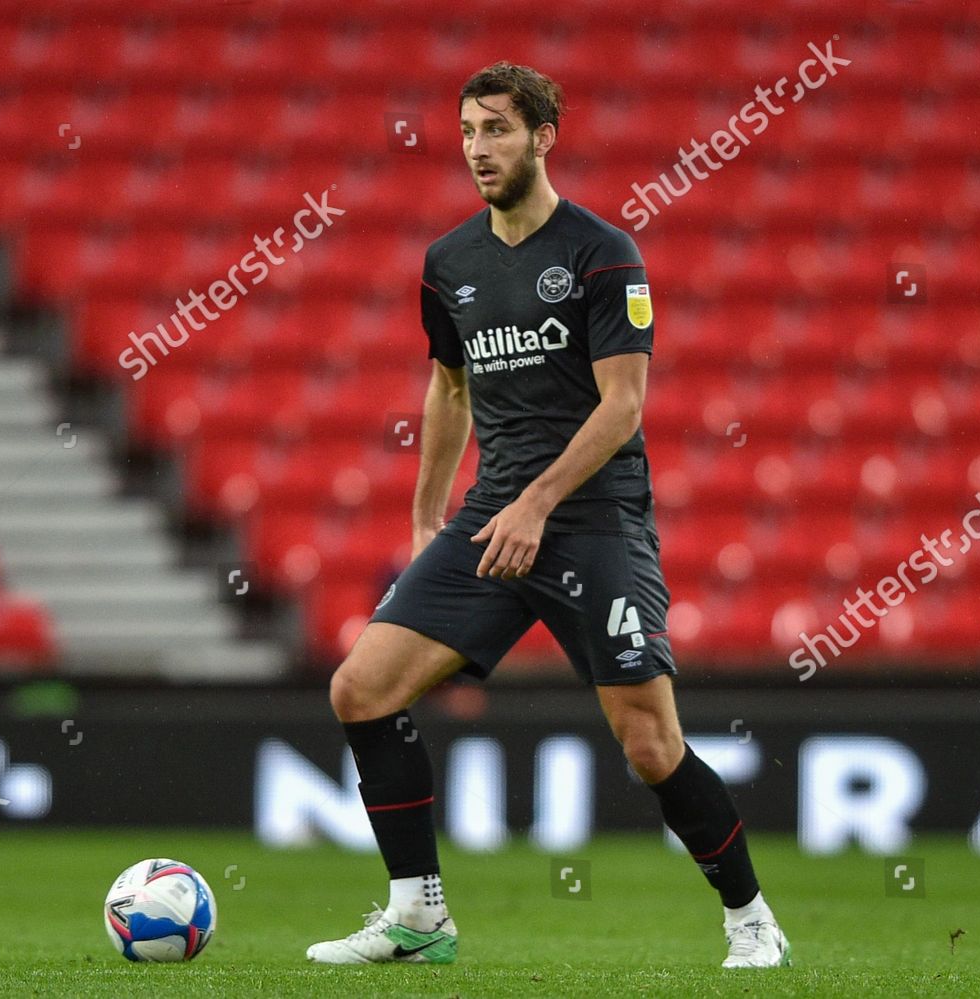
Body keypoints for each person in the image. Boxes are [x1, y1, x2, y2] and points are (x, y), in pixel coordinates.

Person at [306, 61, 790, 970]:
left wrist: (537, 500)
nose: (478, 149)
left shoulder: (603, 253)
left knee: (649, 745)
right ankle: (419, 915)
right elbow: (449, 387)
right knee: (360, 689)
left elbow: (624, 406)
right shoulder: (450, 263)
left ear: (542, 137)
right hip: (494, 520)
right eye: (466, 133)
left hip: (594, 520)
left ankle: (751, 918)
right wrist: (424, 523)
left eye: (496, 130)